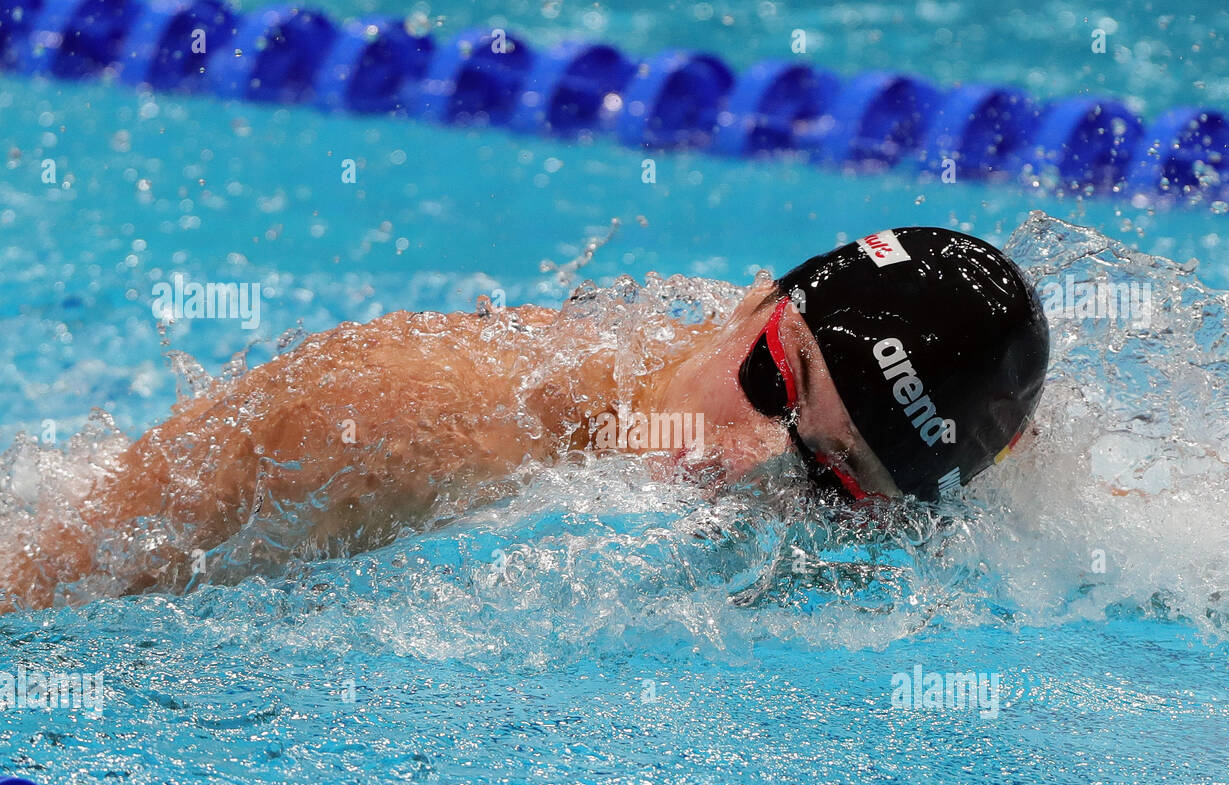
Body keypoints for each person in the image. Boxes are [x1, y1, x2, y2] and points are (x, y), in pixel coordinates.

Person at [0, 226, 1048, 611]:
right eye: (774, 386)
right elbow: (49, 586)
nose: (735, 463)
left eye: (830, 475)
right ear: (753, 301)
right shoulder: (399, 429)